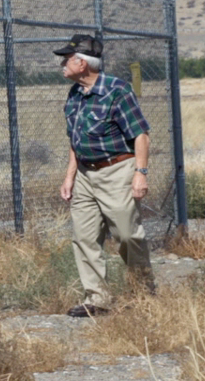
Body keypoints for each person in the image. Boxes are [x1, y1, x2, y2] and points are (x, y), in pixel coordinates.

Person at [55, 34, 155, 317]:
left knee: (127, 235)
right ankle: (96, 300)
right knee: (84, 238)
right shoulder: (75, 93)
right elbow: (75, 139)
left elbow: (141, 136)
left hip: (117, 171)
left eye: (67, 59)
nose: (62, 64)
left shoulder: (117, 91)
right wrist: (70, 177)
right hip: (85, 174)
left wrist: (140, 174)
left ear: (83, 63)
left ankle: (143, 294)